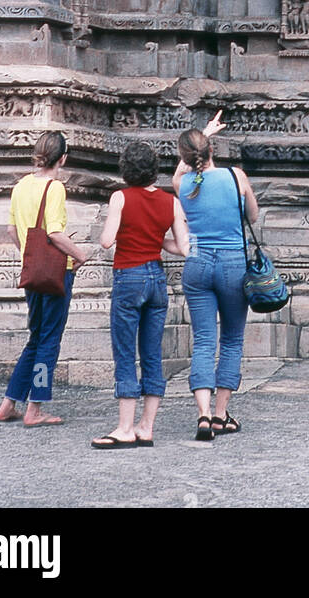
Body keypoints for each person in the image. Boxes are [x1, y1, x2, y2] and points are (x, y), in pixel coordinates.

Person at [91, 140, 189, 449]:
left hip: (128, 277)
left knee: (124, 353)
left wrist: (123, 229)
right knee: (151, 354)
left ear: (126, 169)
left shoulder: (120, 197)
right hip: (156, 278)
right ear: (153, 170)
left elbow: (107, 241)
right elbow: (183, 248)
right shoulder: (170, 201)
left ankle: (124, 428)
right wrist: (154, 239)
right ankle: (146, 427)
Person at [173, 110, 259, 441]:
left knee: (204, 340)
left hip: (197, 265)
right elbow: (252, 215)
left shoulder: (182, 184)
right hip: (233, 265)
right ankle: (222, 413)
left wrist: (201, 137)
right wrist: (208, 136)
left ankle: (204, 415)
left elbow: (181, 169)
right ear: (212, 151)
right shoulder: (236, 177)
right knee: (232, 339)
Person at [0, 131, 88, 427]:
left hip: (31, 272)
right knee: (49, 340)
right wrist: (81, 255)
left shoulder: (21, 186)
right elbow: (55, 233)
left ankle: (9, 403)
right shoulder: (55, 187)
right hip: (57, 273)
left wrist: (31, 256)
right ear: (63, 158)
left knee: (35, 337)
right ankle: (36, 407)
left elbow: (12, 231)